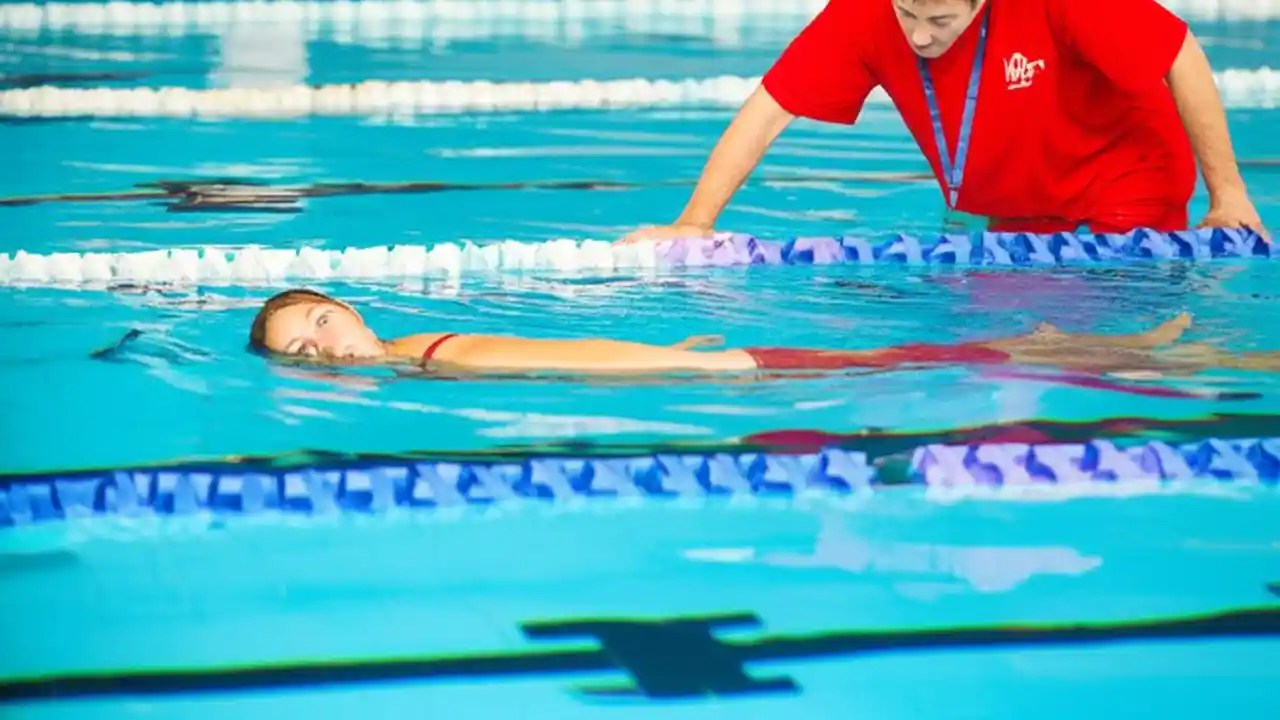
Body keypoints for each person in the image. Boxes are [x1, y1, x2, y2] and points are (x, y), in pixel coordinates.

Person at [623, 0, 1268, 241]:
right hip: (1018, 203)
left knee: (1097, 350)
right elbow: (769, 110)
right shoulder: (867, 12)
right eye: (907, 15)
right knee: (991, 338)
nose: (921, 37)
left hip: (1126, 181)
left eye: (941, 21)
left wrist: (1229, 193)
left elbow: (1179, 52)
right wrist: (694, 223)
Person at [247, 288, 1277, 379]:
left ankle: (1197, 353)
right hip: (740, 369)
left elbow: (568, 360)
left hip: (743, 373)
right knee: (967, 357)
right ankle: (1159, 351)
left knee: (987, 357)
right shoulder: (410, 352)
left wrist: (684, 362)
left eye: (322, 321)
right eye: (305, 350)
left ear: (351, 308)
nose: (323, 347)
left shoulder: (429, 357)